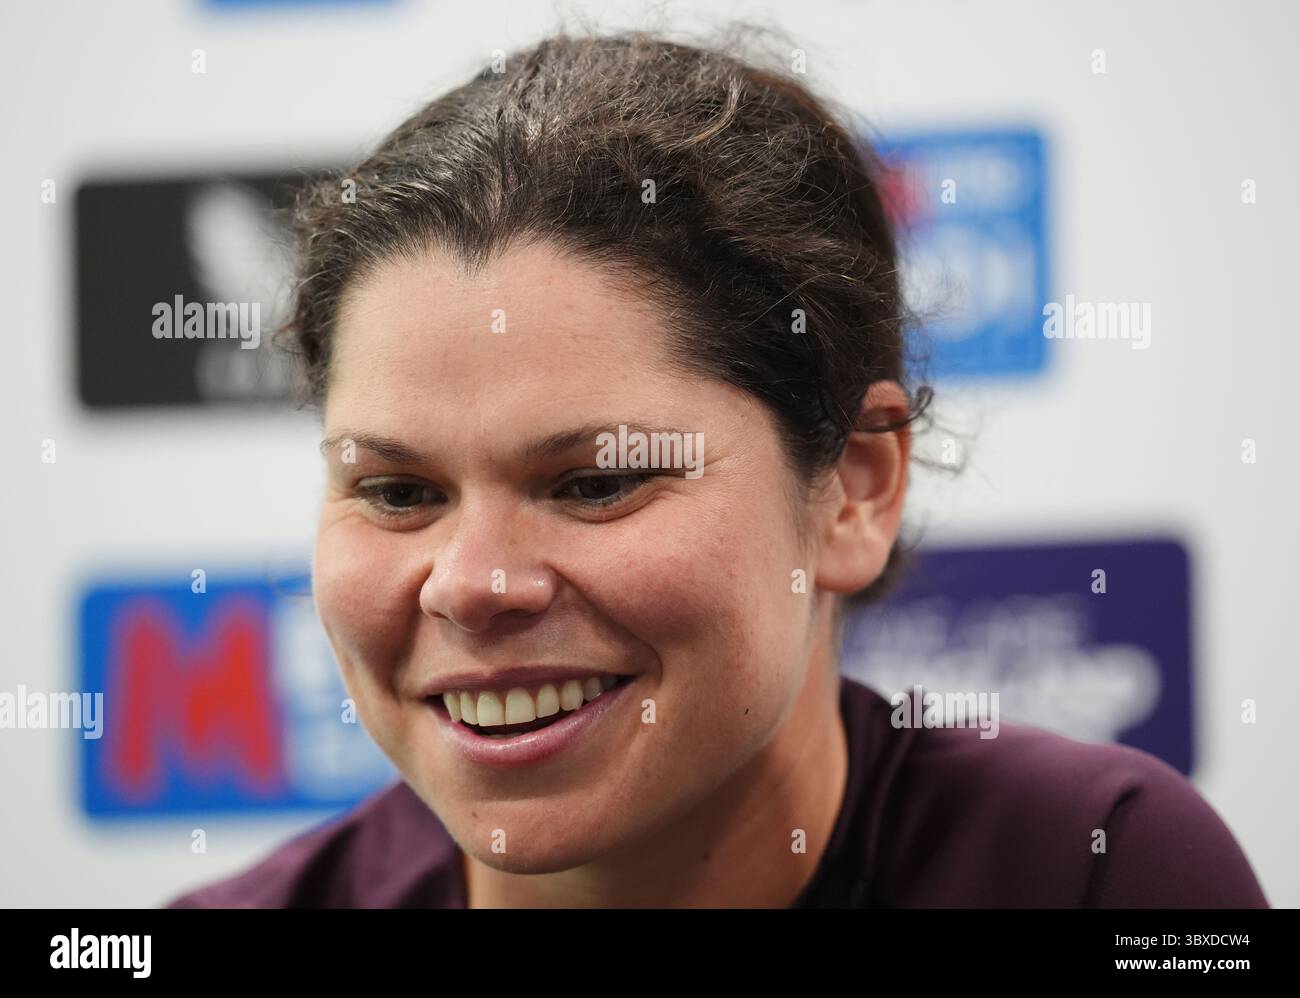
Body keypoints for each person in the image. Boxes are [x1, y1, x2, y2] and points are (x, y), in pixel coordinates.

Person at [167, 27, 1268, 908]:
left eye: (595, 481)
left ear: (854, 487)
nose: (470, 582)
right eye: (400, 491)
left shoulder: (1098, 871)